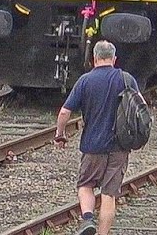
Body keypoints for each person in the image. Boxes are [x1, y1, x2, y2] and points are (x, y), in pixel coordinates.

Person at [54, 40, 139, 235]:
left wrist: (60, 135)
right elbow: (139, 108)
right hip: (119, 147)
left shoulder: (85, 81)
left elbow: (64, 112)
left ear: (94, 58)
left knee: (85, 185)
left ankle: (87, 219)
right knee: (109, 195)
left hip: (93, 146)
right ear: (114, 59)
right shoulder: (127, 79)